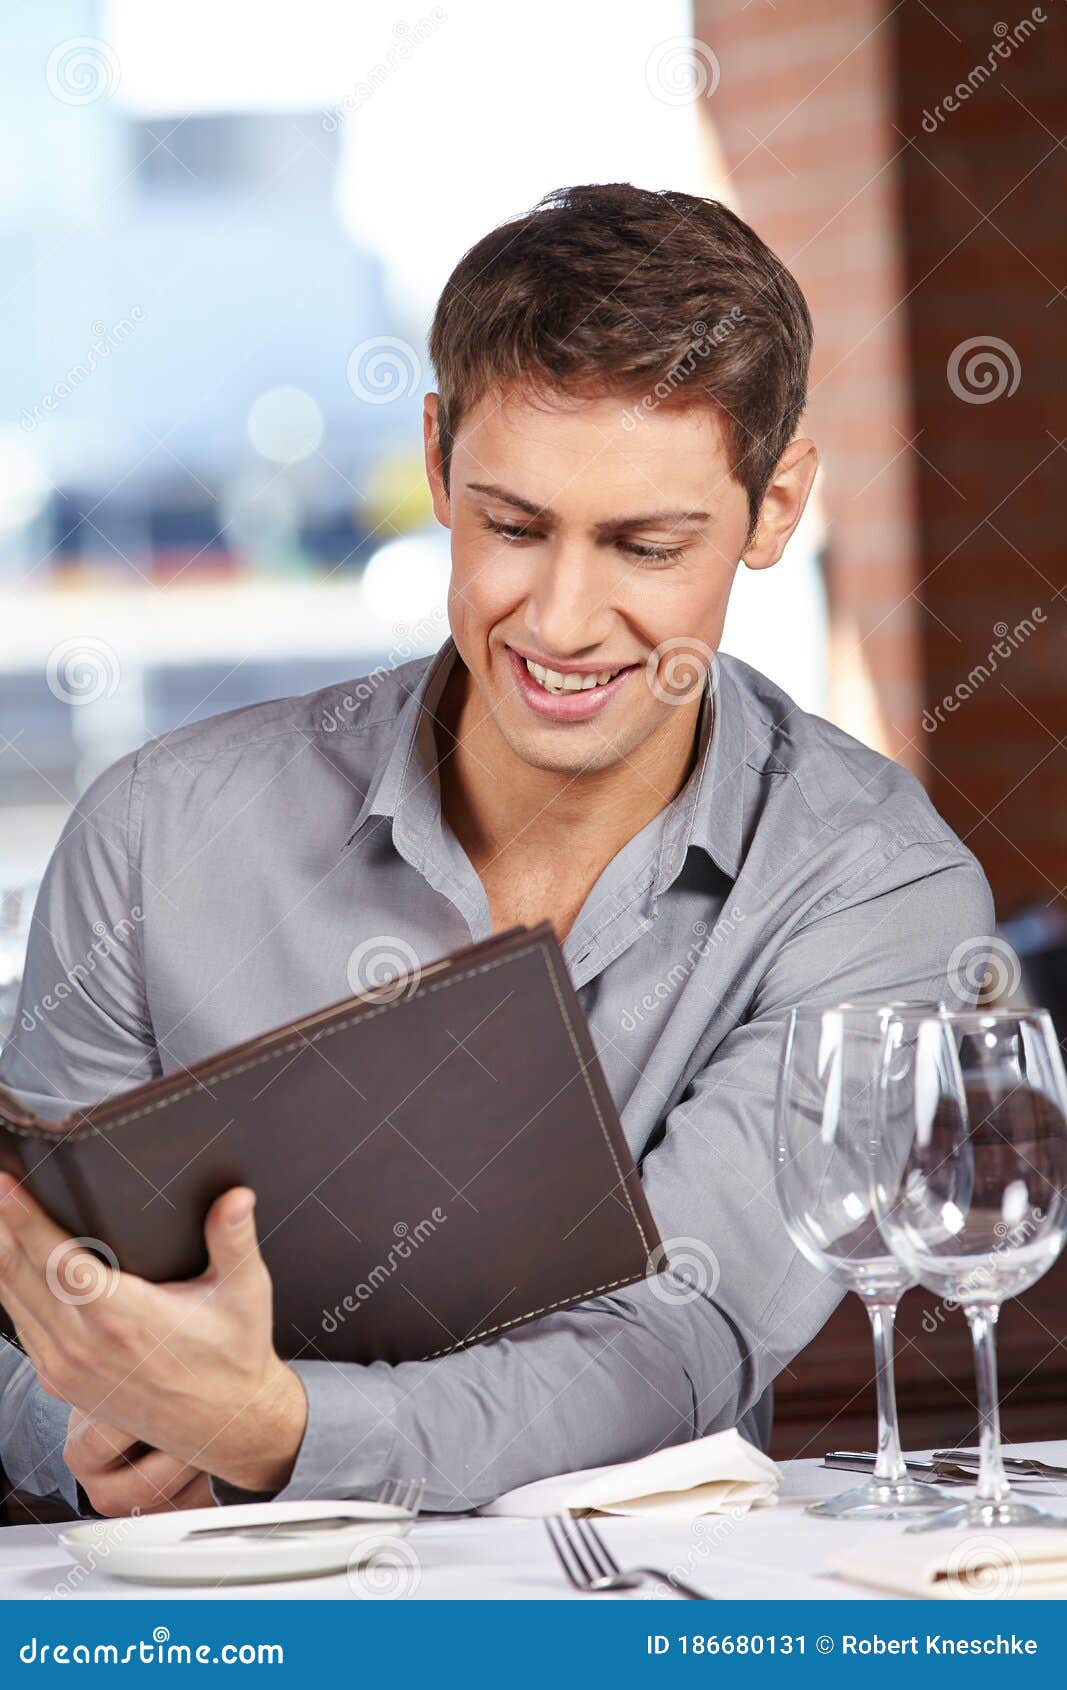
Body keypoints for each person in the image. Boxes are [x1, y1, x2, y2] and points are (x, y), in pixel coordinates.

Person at [0, 184, 992, 1518]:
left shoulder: (872, 883)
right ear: (436, 457)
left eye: (646, 545)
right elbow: (29, 1316)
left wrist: (284, 1429)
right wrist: (93, 1422)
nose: (564, 620)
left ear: (776, 506)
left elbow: (672, 1342)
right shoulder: (153, 833)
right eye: (513, 527)